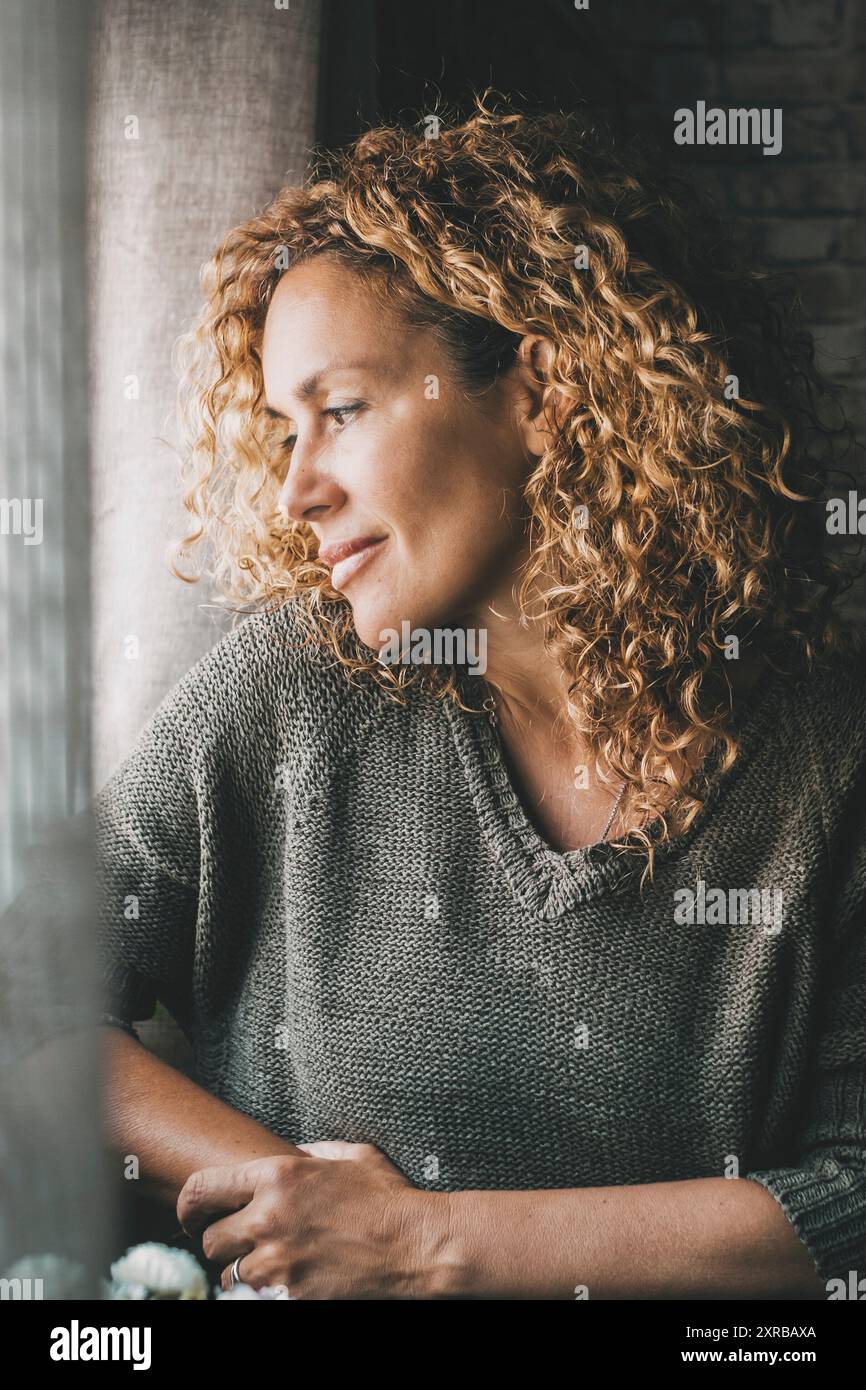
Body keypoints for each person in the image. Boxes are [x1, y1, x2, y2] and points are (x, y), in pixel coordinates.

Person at [99, 97, 866, 1299]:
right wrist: (299, 1207)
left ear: (541, 392)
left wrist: (426, 1246)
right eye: (279, 430)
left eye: (339, 412)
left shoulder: (829, 761)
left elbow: (852, 1194)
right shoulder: (288, 692)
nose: (295, 487)